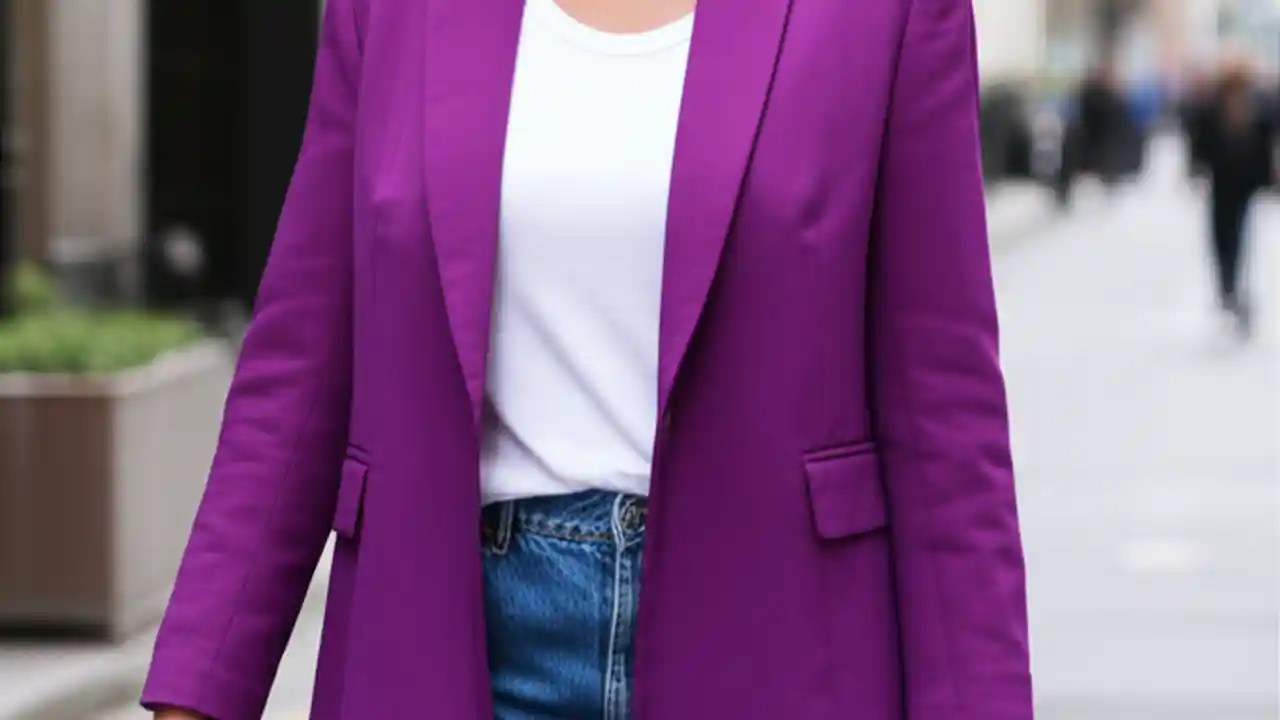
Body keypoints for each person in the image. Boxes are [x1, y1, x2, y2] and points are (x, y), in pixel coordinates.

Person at [143, 0, 1033, 718]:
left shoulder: (887, 15)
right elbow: (298, 372)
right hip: (451, 645)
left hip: (781, 649)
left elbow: (944, 417)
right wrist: (200, 687)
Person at [1203, 63, 1275, 337]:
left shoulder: (1259, 112)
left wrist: (1268, 181)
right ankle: (1227, 287)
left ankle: (1233, 289)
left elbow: (1266, 150)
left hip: (1244, 186)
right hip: (1221, 184)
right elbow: (1203, 143)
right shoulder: (1213, 111)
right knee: (1220, 237)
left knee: (1238, 238)